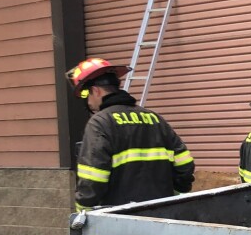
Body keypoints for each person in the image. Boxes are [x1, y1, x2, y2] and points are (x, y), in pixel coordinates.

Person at [65, 57, 194, 210]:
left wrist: (83, 212)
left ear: (96, 90)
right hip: (161, 216)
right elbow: (185, 165)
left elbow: (92, 179)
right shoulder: (154, 118)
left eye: (86, 93)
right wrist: (174, 197)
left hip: (119, 221)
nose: (87, 100)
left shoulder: (100, 123)